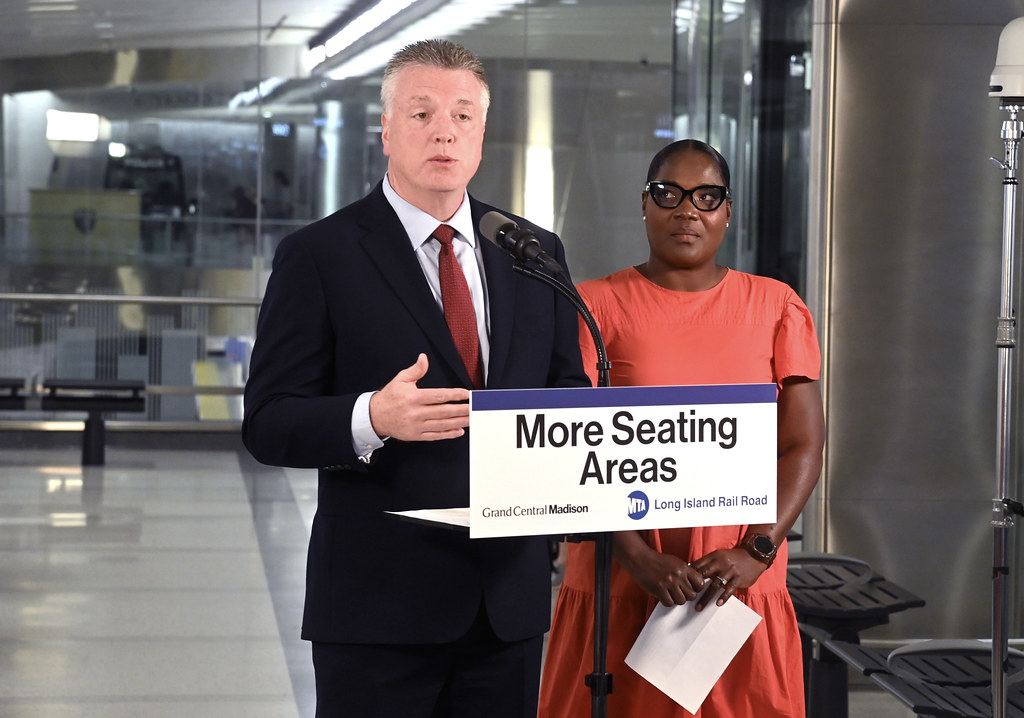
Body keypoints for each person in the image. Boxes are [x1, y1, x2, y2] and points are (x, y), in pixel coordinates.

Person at [242, 38, 588, 718]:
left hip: (507, 607)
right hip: (376, 608)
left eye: (462, 116)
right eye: (422, 113)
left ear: (482, 134)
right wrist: (372, 418)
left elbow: (566, 389)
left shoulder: (533, 252)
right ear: (386, 131)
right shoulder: (319, 256)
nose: (443, 132)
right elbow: (269, 420)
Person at [538, 139, 825, 718]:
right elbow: (568, 452)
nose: (687, 210)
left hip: (734, 580)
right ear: (644, 205)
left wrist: (758, 551)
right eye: (668, 193)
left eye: (706, 196)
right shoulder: (593, 307)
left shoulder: (775, 307)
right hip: (621, 575)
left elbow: (802, 443)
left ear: (727, 210)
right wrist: (635, 556)